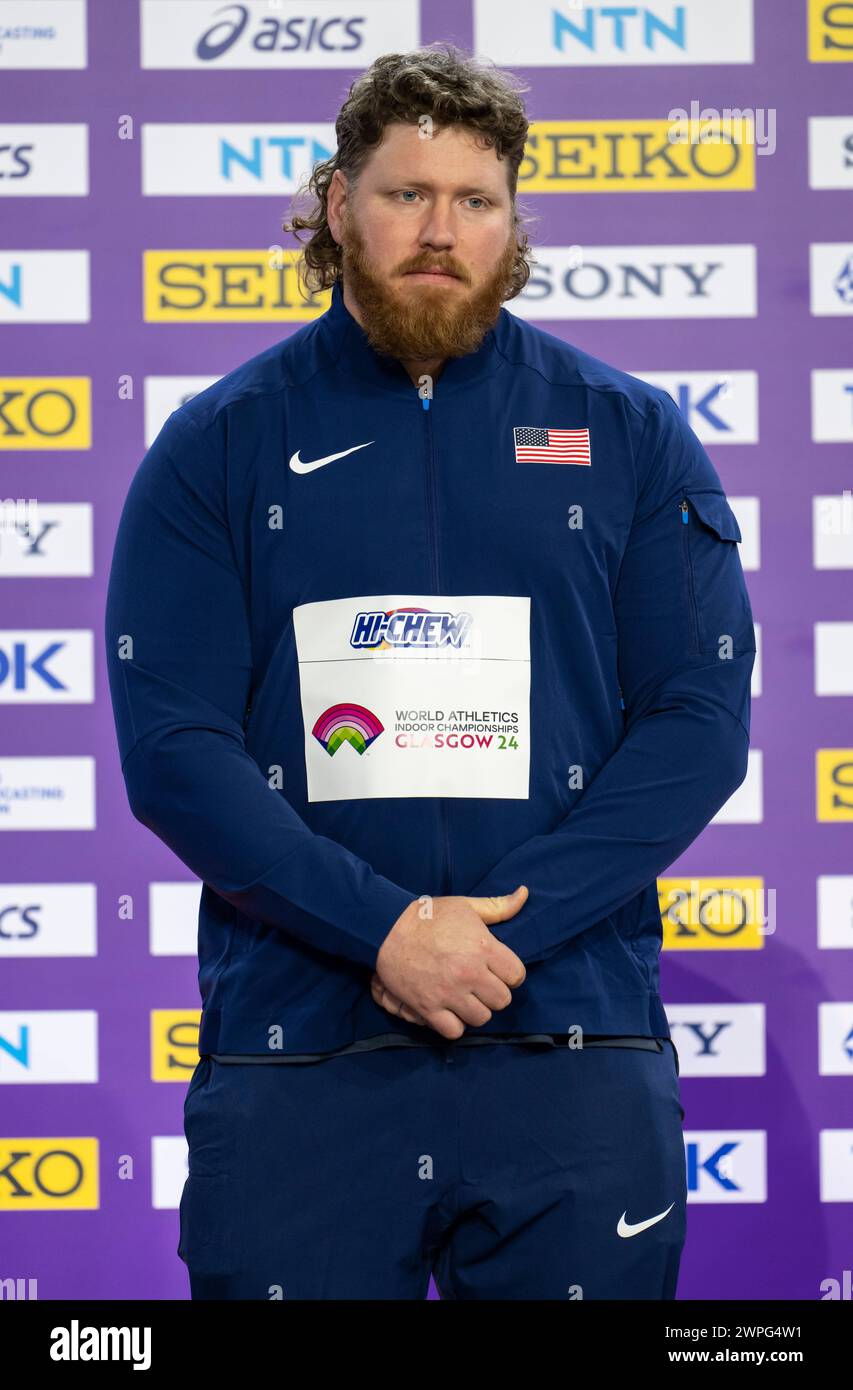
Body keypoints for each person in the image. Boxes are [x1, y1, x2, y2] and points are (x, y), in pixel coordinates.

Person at [105, 44, 756, 1300]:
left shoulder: (627, 432)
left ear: (514, 223)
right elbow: (174, 746)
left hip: (568, 1038)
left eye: (476, 200)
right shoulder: (217, 444)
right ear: (337, 201)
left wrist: (495, 935)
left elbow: (695, 720)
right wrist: (388, 928)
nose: (439, 230)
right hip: (303, 1049)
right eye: (406, 193)